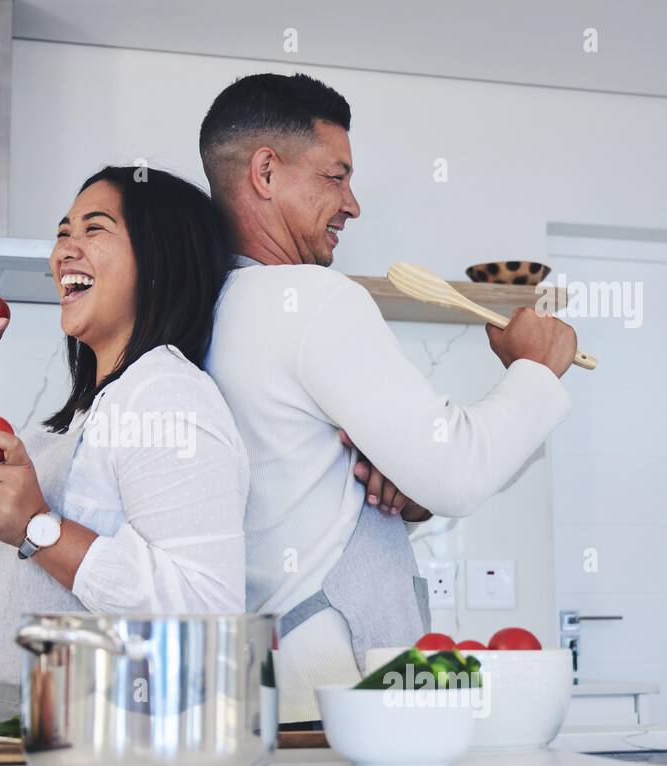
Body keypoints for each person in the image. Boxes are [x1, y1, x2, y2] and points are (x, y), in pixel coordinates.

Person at [199, 73, 579, 725]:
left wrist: (406, 490)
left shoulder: (200, 310)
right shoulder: (316, 302)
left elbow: (309, 486)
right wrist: (537, 368)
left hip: (256, 694)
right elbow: (459, 470)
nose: (353, 204)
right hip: (340, 703)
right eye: (335, 176)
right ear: (266, 171)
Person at [0, 167, 249, 718]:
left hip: (96, 744)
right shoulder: (79, 418)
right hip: (15, 725)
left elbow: (203, 608)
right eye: (64, 232)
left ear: (159, 260)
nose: (65, 249)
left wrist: (40, 529)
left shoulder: (168, 396)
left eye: (94, 230)